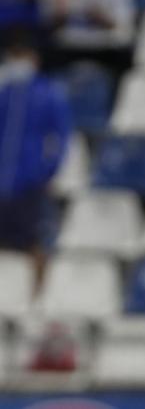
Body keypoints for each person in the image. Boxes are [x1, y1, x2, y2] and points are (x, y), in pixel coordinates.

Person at [0, 30, 72, 289]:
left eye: (21, 55)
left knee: (34, 243)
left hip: (28, 183)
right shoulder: (3, 92)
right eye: (13, 55)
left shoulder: (48, 93)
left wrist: (47, 171)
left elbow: (62, 137)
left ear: (33, 58)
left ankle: (37, 300)